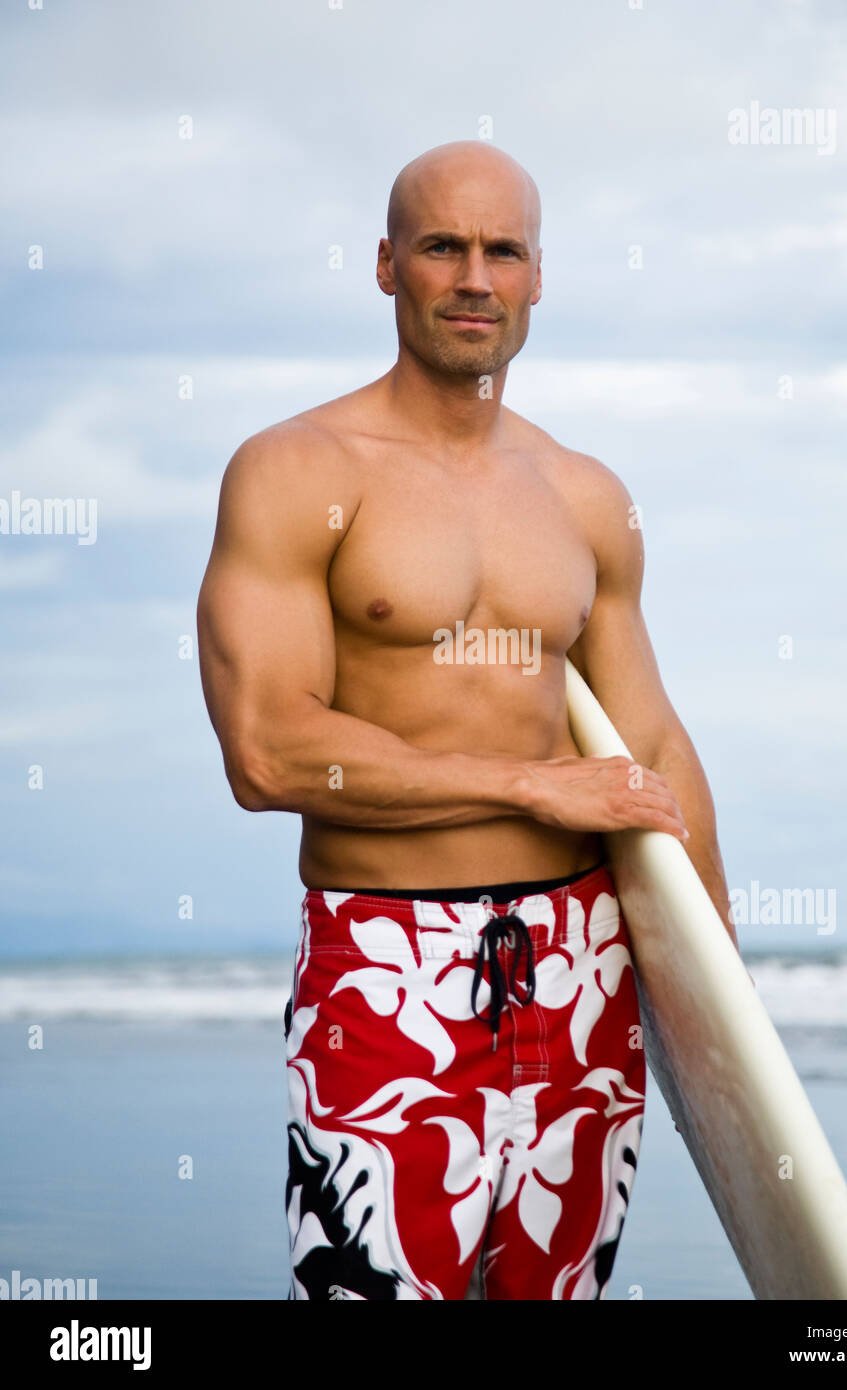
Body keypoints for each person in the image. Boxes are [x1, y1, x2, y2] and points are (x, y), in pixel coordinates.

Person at [196, 140, 738, 1301]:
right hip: (386, 962)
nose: (474, 278)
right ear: (386, 265)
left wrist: (721, 985)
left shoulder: (584, 495)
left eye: (504, 250)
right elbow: (266, 749)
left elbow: (649, 744)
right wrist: (528, 784)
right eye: (443, 246)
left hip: (583, 967)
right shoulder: (294, 470)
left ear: (540, 277)